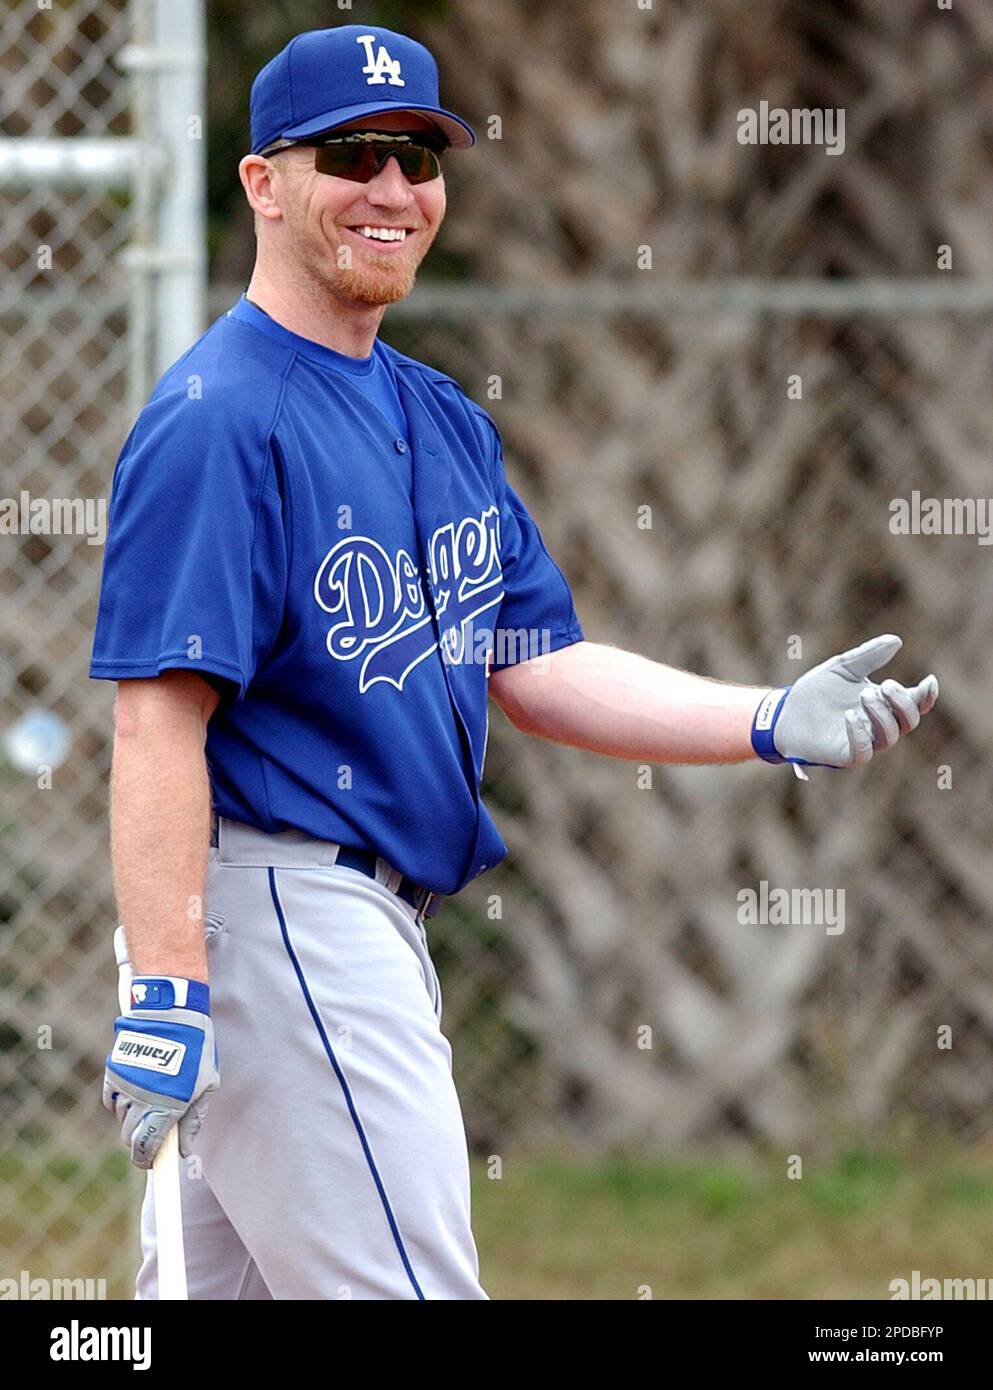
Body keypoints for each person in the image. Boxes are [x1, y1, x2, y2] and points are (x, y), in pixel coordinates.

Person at [90, 24, 939, 1300]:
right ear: (263, 182)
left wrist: (765, 716)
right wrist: (169, 982)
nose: (394, 190)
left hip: (347, 922)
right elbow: (156, 725)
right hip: (283, 917)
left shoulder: (439, 415)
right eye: (354, 154)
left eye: (421, 158)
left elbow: (536, 663)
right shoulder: (220, 418)